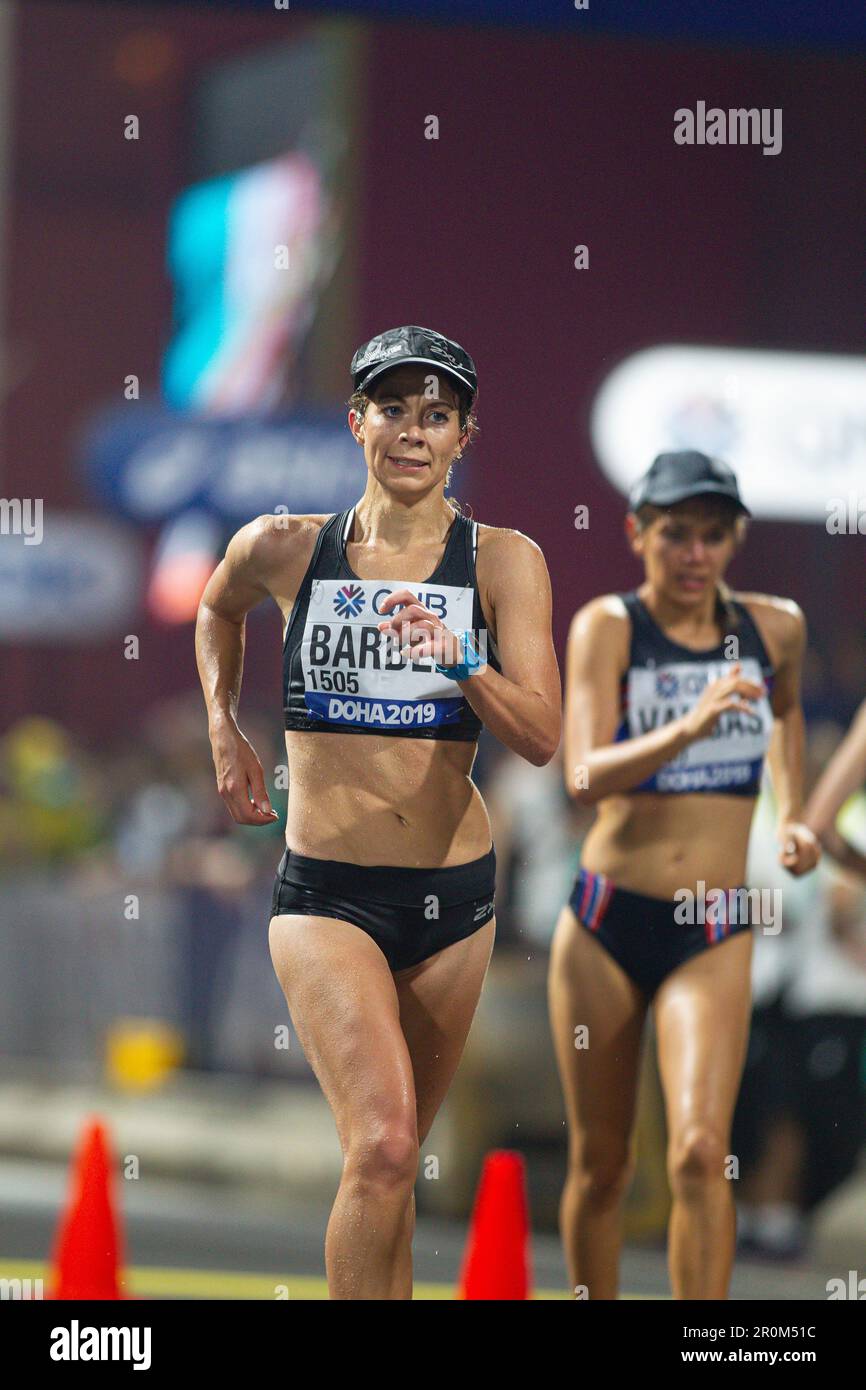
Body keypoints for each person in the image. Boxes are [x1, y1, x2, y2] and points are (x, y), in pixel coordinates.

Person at [195, 325, 561, 1299]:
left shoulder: (502, 562)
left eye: (435, 415)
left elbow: (540, 735)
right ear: (355, 421)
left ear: (462, 436)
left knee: (395, 1169)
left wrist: (463, 660)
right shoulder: (285, 547)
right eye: (391, 408)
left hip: (453, 904)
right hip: (326, 897)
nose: (411, 431)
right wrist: (224, 727)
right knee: (386, 1146)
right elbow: (216, 606)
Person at [547, 450, 820, 1300]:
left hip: (712, 924)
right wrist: (687, 728)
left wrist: (794, 812)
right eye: (675, 534)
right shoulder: (610, 626)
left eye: (712, 535)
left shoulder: (774, 628)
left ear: (735, 539)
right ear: (637, 533)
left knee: (702, 1151)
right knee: (602, 1164)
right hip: (606, 922)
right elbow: (582, 775)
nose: (695, 554)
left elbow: (785, 713)